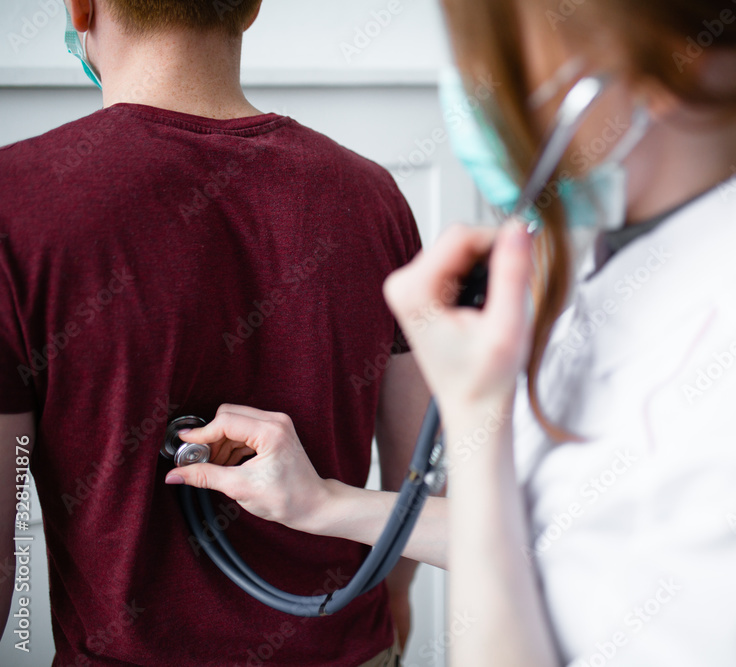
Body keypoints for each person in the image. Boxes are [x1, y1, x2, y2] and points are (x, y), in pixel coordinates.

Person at [164, 0, 736, 665]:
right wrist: (323, 503)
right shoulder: (611, 273)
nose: (473, 87)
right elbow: (559, 545)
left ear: (663, 63)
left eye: (495, 44)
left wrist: (476, 418)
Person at [0, 1, 430, 665]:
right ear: (252, 7)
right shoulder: (372, 197)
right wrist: (392, 601)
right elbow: (418, 474)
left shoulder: (16, 201)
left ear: (81, 7)